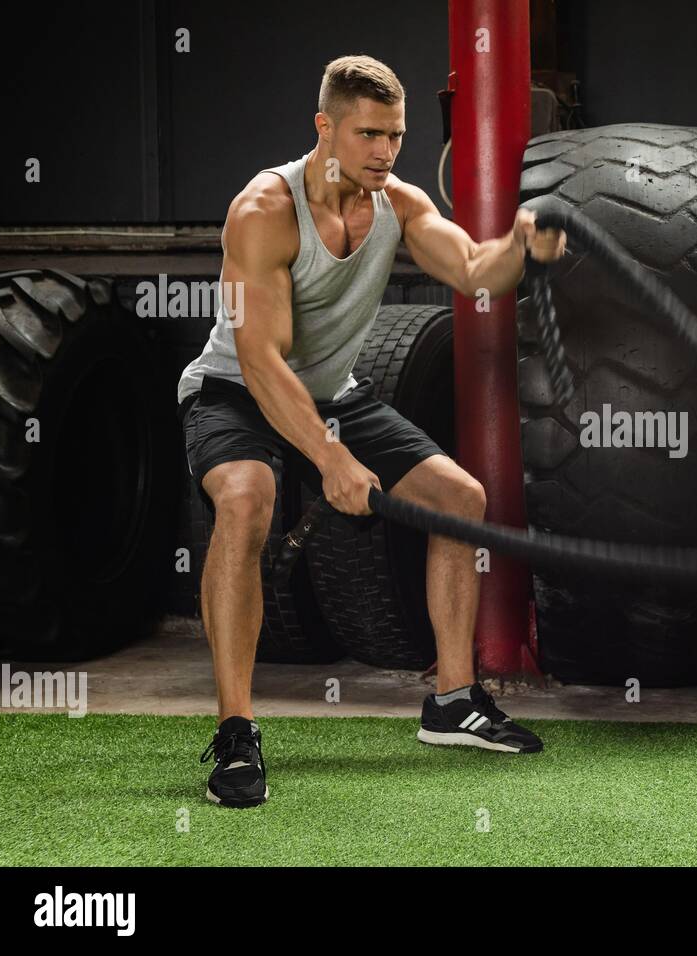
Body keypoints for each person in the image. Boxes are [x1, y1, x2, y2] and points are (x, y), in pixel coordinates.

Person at [179, 54, 566, 808]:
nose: (385, 151)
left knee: (459, 498)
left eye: (395, 134)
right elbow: (259, 359)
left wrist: (521, 246)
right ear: (324, 128)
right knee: (246, 500)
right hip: (235, 391)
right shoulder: (263, 210)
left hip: (332, 393)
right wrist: (330, 457)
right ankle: (235, 731)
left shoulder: (398, 203)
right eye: (368, 134)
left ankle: (453, 701)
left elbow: (476, 272)